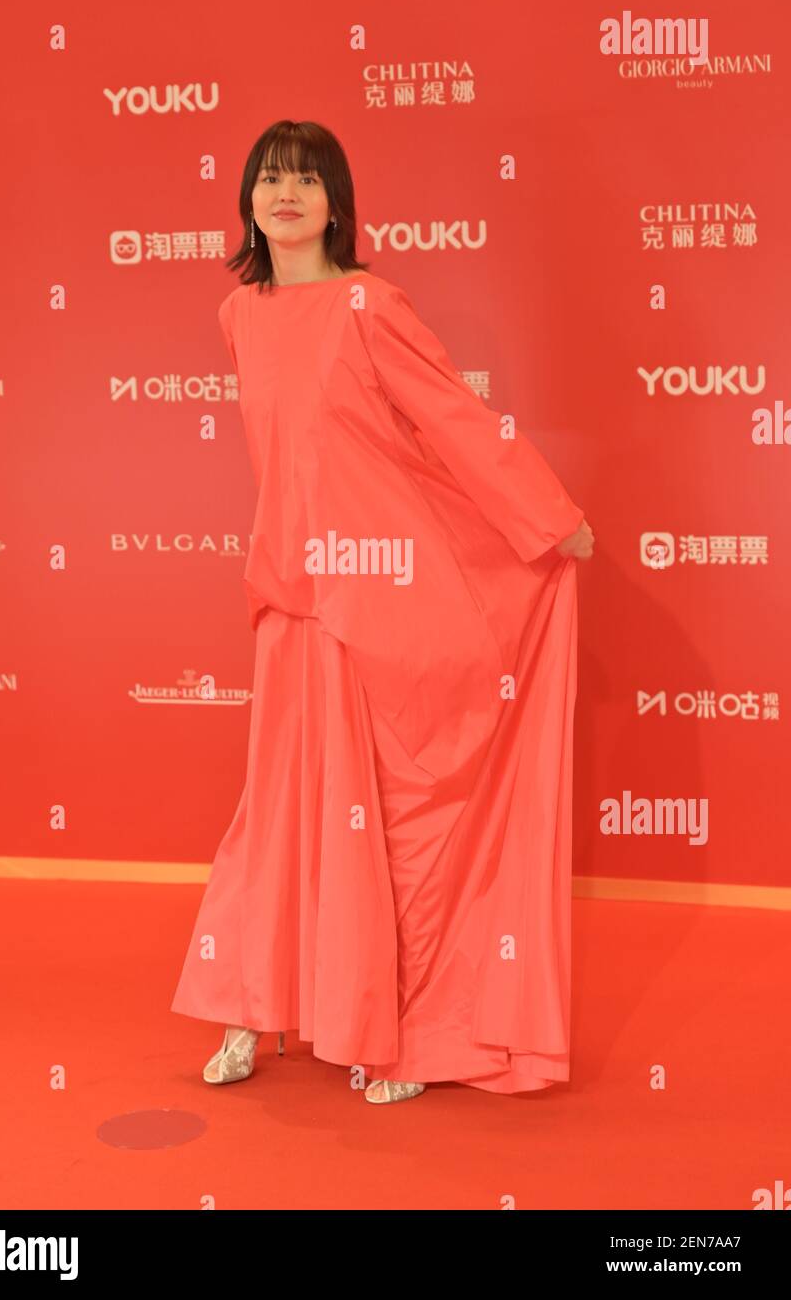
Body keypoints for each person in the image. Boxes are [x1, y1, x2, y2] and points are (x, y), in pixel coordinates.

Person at [171, 119, 594, 1105]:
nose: (286, 196)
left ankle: (401, 1032)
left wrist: (546, 518)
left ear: (336, 203)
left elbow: (450, 417)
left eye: (306, 181)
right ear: (248, 199)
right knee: (278, 816)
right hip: (288, 596)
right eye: (271, 180)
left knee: (387, 822)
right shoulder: (240, 315)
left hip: (380, 595)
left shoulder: (368, 304)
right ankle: (250, 1004)